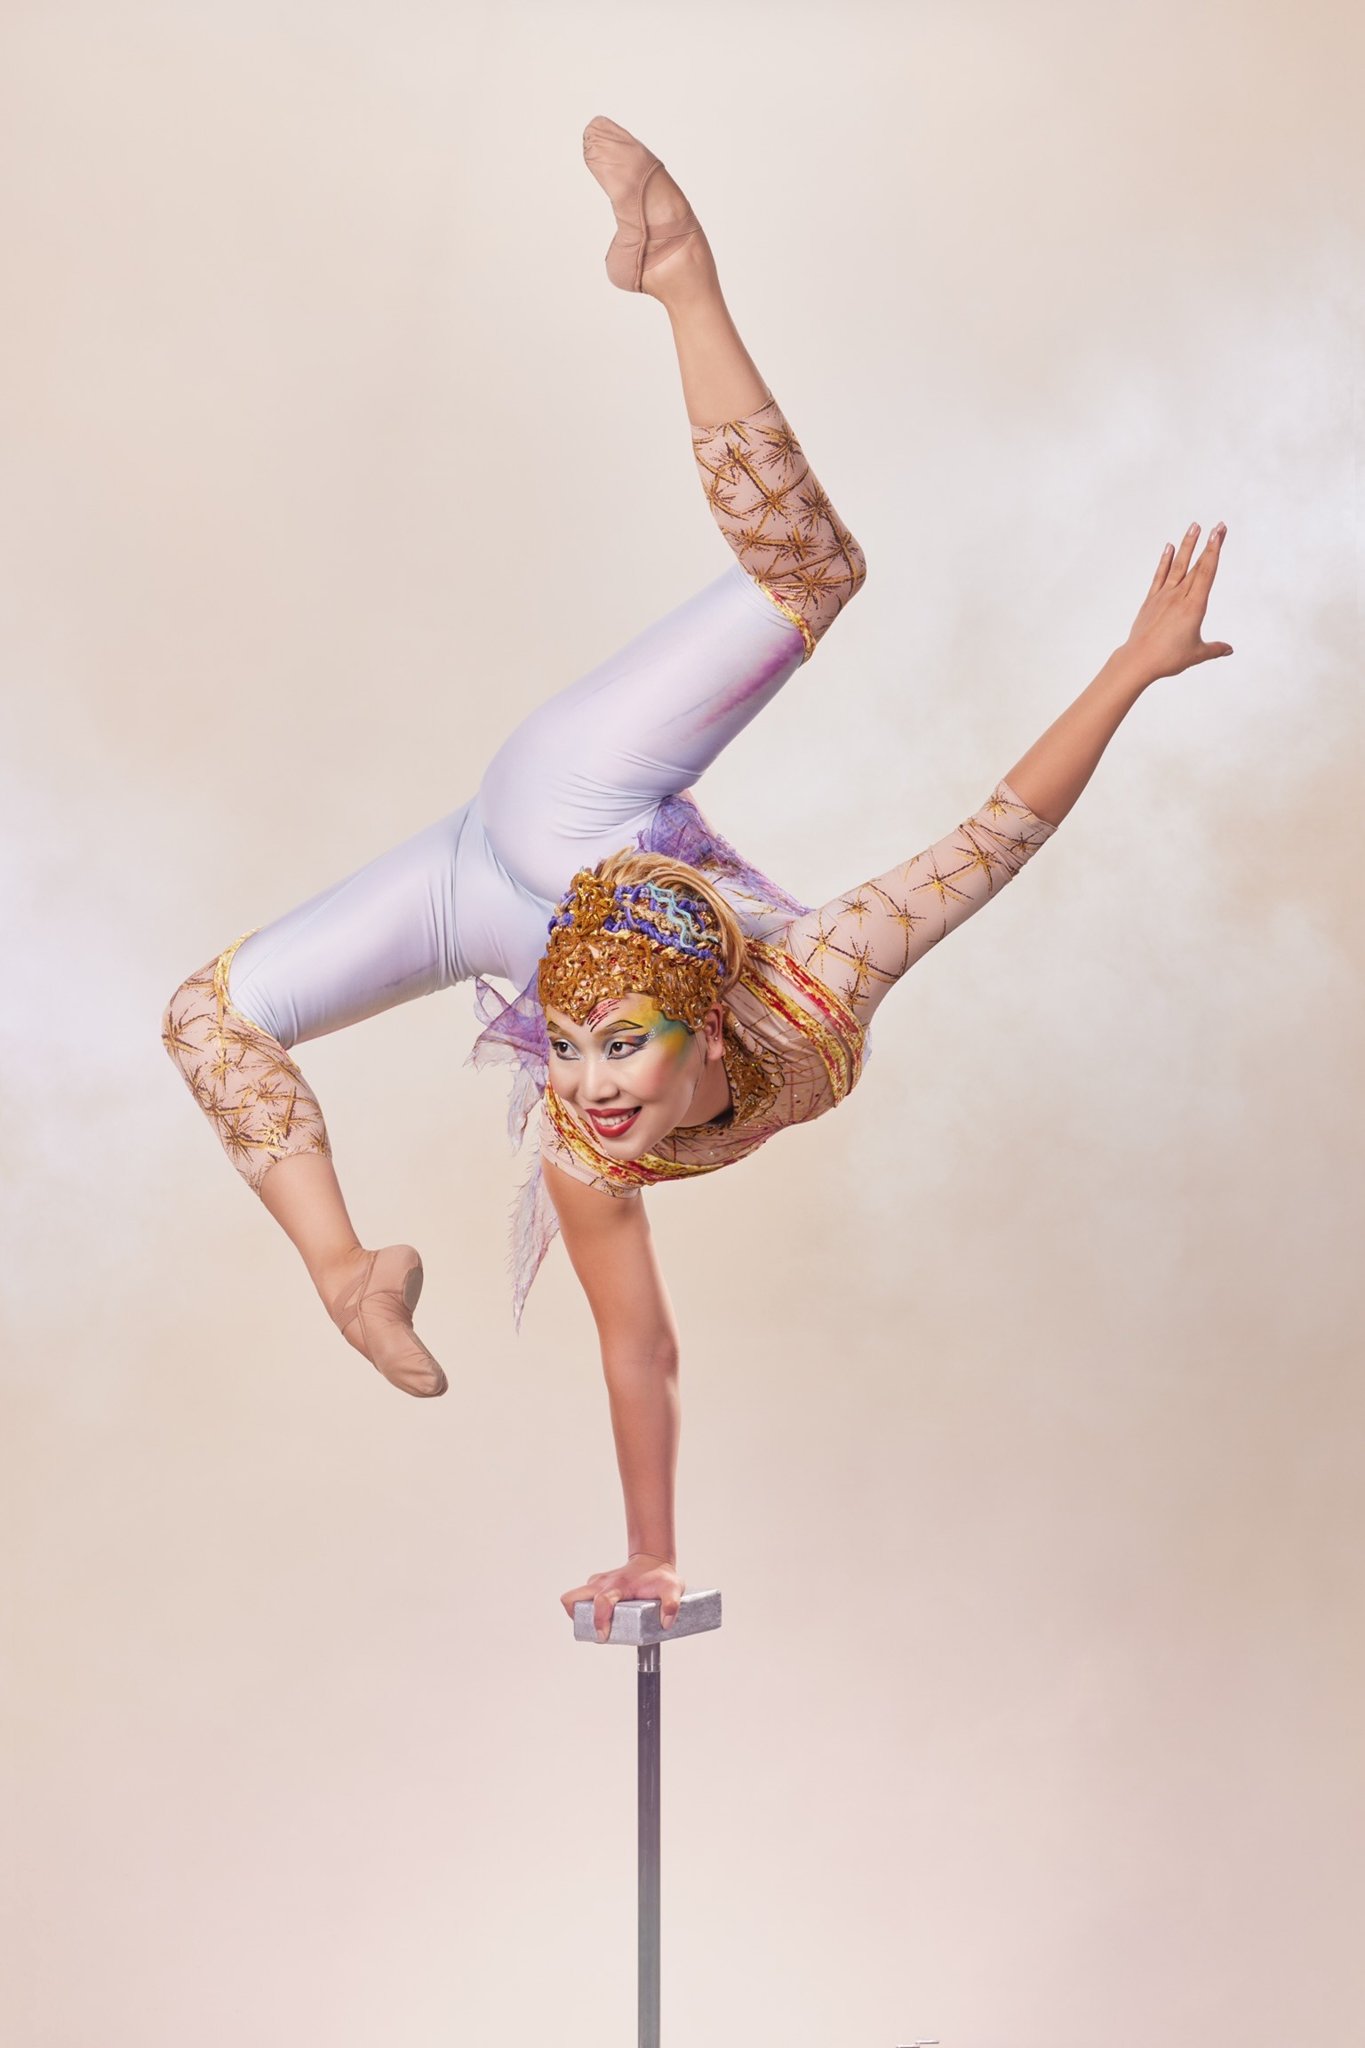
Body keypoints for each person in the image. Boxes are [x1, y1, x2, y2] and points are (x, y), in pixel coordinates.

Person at [161, 116, 1231, 1638]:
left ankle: (348, 1277)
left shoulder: (590, 1137)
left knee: (207, 1015)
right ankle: (677, 270)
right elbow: (992, 836)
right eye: (581, 1056)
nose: (589, 1092)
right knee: (812, 574)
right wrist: (1126, 670)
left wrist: (651, 1559)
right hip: (574, 813)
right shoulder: (817, 982)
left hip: (476, 899)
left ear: (697, 1035)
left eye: (602, 1054)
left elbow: (640, 1348)